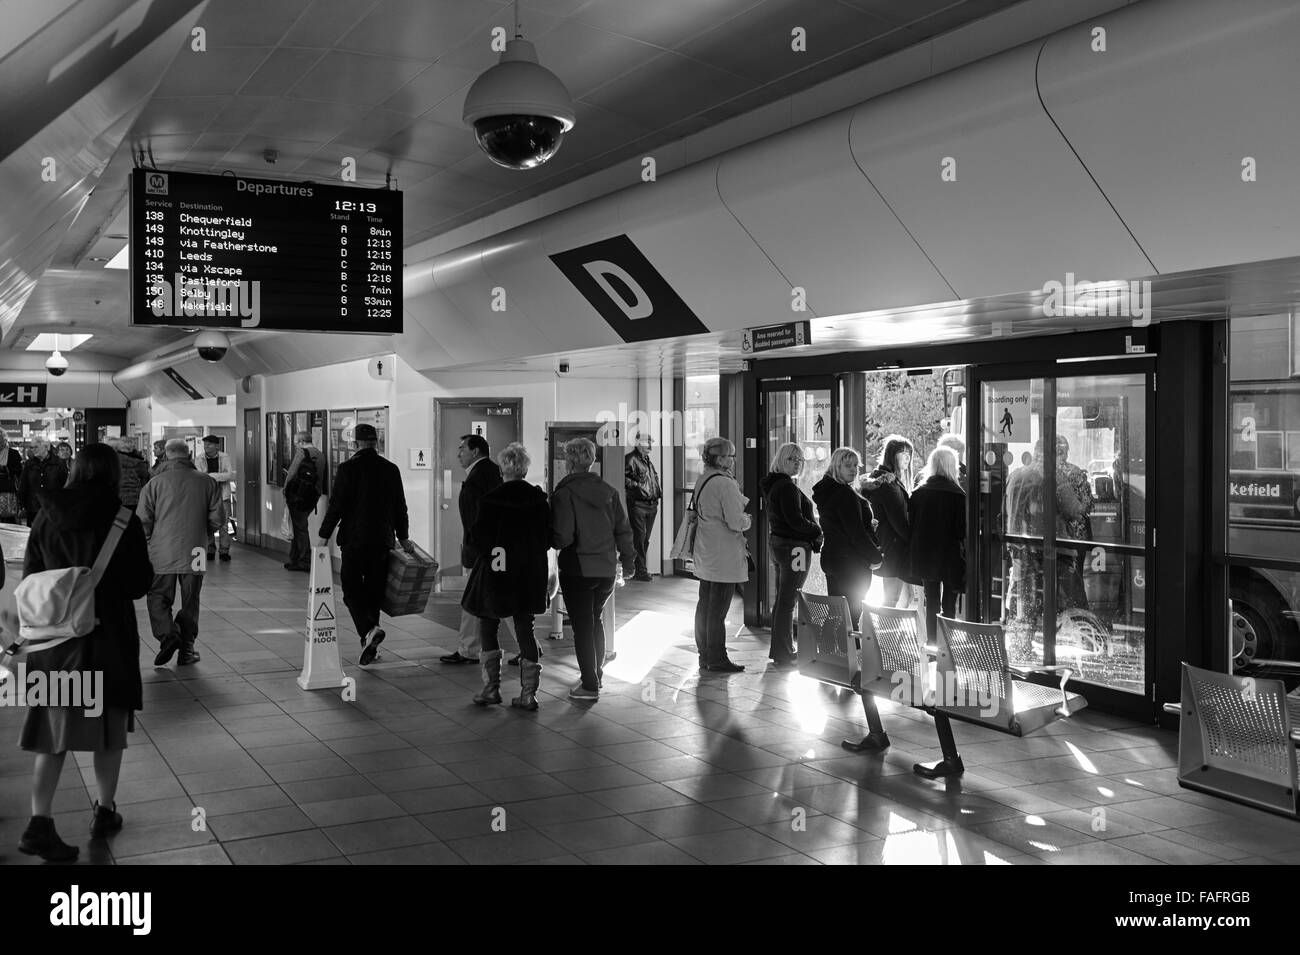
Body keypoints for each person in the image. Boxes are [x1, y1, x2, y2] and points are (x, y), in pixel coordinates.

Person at [17, 444, 153, 861]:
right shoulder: (123, 520)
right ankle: (104, 811)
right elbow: (138, 584)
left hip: (53, 646)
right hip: (105, 642)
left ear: (74, 471)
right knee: (107, 733)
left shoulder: (45, 516)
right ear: (113, 473)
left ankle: (40, 822)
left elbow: (29, 581)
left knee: (52, 737)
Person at [461, 443, 550, 709]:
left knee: (489, 624)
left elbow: (478, 540)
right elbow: (546, 539)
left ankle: (491, 688)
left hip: (497, 573)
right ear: (524, 468)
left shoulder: (490, 501)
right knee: (526, 628)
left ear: (502, 469)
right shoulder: (539, 501)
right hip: (529, 573)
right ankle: (528, 694)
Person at [318, 423, 413, 666]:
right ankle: (370, 642)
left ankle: (368, 631)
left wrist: (323, 535)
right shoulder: (391, 469)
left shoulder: (348, 468)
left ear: (355, 443)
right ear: (376, 443)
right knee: (373, 592)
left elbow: (337, 505)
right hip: (382, 540)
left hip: (354, 539)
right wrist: (403, 537)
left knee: (350, 588)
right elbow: (400, 506)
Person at [551, 437, 635, 700]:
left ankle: (589, 684)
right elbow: (623, 530)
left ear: (570, 461)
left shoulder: (565, 494)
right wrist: (629, 562)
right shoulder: (609, 492)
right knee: (595, 620)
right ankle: (595, 674)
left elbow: (563, 536)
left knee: (582, 627)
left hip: (578, 568)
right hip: (606, 570)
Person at [136, 439, 222, 667]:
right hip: (196, 549)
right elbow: (217, 519)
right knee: (191, 599)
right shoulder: (207, 482)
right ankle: (187, 649)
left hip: (161, 549)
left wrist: (149, 542)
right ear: (190, 454)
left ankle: (168, 635)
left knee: (158, 596)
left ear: (166, 455)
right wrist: (202, 534)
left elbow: (143, 521)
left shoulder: (154, 484)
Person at [441, 434, 506, 666]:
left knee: (472, 600)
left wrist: (475, 550)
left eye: (462, 449)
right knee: (501, 597)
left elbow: (476, 519)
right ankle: (529, 648)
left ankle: (468, 649)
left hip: (482, 551)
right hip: (494, 549)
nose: (458, 453)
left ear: (476, 451)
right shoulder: (493, 472)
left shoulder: (479, 477)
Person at [691, 437, 751, 672]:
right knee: (717, 611)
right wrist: (748, 520)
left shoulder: (703, 479)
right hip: (724, 554)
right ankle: (717, 658)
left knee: (704, 605)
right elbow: (735, 521)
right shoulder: (725, 484)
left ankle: (704, 655)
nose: (733, 460)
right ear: (721, 458)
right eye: (731, 455)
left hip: (706, 550)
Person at [759, 442, 821, 667]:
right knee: (788, 600)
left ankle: (781, 650)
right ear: (780, 460)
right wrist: (817, 530)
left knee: (783, 600)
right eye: (791, 459)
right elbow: (795, 521)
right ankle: (784, 652)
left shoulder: (775, 484)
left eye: (800, 460)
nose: (797, 463)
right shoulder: (785, 486)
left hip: (779, 544)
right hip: (794, 548)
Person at [812, 447, 882, 631]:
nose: (853, 470)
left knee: (836, 612)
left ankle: (829, 652)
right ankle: (850, 656)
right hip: (851, 562)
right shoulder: (844, 494)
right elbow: (856, 533)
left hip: (832, 557)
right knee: (851, 616)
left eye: (855, 466)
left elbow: (841, 525)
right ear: (837, 466)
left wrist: (866, 523)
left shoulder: (828, 491)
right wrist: (875, 557)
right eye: (847, 465)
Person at [909, 447, 967, 641]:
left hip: (924, 555)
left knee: (931, 600)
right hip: (950, 556)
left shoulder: (919, 492)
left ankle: (932, 642)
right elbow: (961, 530)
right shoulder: (958, 495)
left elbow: (911, 524)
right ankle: (946, 644)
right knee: (949, 602)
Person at [862, 435, 915, 608]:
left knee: (897, 600)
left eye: (909, 455)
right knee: (893, 601)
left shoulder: (879, 477)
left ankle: (884, 634)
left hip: (886, 546)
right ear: (892, 455)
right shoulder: (888, 483)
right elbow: (899, 520)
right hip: (894, 549)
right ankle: (883, 635)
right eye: (903, 453)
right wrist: (915, 541)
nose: (907, 459)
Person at [283, 431, 324, 572]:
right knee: (299, 525)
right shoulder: (320, 454)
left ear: (301, 441)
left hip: (298, 496)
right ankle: (294, 558)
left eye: (295, 442)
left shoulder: (302, 453)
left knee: (299, 528)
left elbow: (291, 473)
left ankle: (304, 560)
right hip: (313, 496)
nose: (295, 445)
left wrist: (285, 491)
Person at [624, 431, 662, 582]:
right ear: (638, 442)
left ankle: (635, 568)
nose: (650, 446)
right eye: (648, 442)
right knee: (639, 539)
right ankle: (640, 570)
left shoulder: (646, 459)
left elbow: (652, 478)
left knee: (644, 539)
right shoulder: (630, 459)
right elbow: (623, 477)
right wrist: (638, 487)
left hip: (651, 505)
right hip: (638, 504)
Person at [198, 436, 235, 562]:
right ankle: (210, 549)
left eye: (209, 444)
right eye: (205, 445)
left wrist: (211, 476)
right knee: (208, 523)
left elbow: (229, 474)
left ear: (216, 446)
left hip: (222, 495)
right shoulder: (200, 458)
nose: (206, 447)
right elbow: (199, 476)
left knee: (224, 524)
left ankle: (224, 551)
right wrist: (217, 477)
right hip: (206, 496)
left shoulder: (224, 457)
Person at [19, 436, 68, 525]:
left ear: (46, 447)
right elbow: (23, 485)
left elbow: (65, 485)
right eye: (31, 447)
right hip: (33, 508)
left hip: (53, 507)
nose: (33, 449)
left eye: (36, 447)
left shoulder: (59, 463)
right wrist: (22, 505)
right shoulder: (29, 464)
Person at [106, 437, 151, 510]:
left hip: (118, 497)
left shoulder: (113, 460)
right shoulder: (139, 461)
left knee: (121, 519)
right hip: (136, 498)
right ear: (132, 447)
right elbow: (145, 477)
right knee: (133, 519)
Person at [0, 431, 23, 522]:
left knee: (8, 518)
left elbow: (19, 471)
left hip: (7, 491)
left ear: (4, 440)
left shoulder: (13, 453)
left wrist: (5, 468)